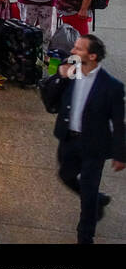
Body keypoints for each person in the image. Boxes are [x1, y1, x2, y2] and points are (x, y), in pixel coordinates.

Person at [45, 34, 126, 244]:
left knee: (88, 191)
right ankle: (98, 200)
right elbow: (49, 99)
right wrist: (59, 76)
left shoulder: (112, 87)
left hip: (94, 146)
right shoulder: (70, 72)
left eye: (78, 49)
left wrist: (120, 154)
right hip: (69, 140)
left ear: (92, 56)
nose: (72, 52)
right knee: (66, 175)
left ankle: (85, 236)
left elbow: (118, 123)